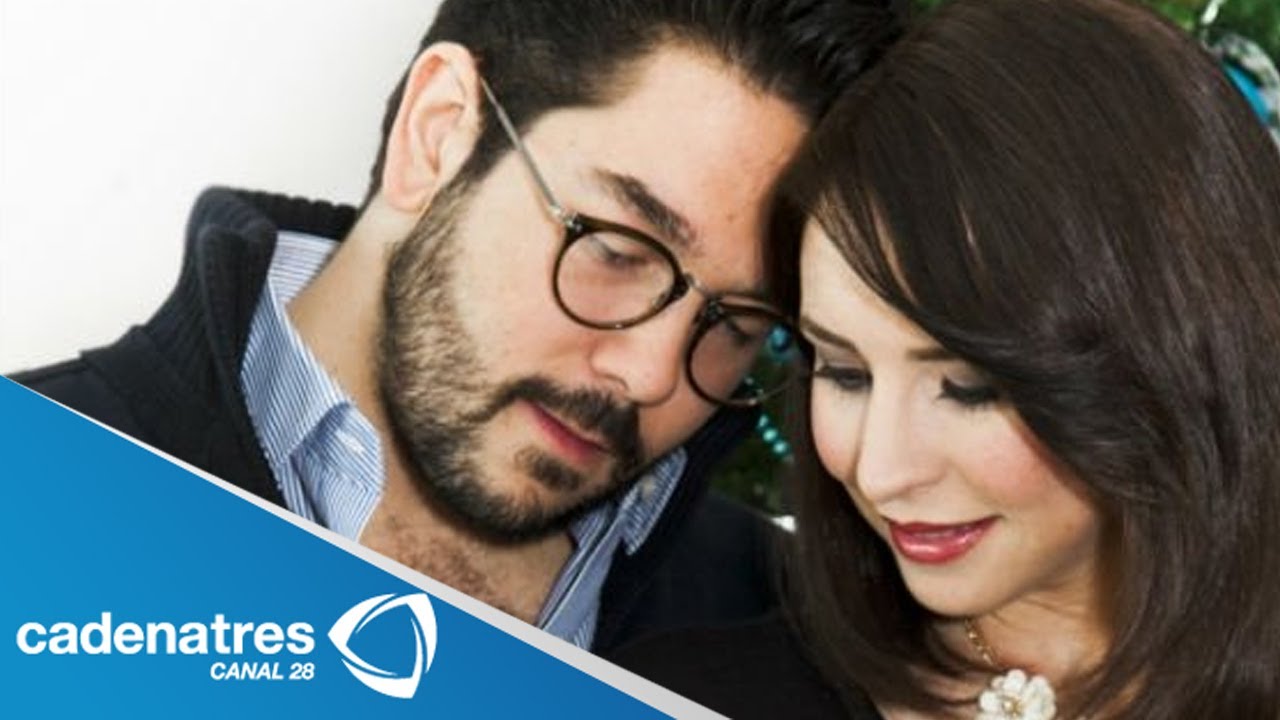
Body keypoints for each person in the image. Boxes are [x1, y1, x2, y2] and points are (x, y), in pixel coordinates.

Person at [6, 0, 902, 654]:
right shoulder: (29, 498)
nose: (652, 374)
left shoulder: (795, 638)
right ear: (436, 136)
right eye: (618, 250)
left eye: (737, 325)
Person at [613, 0, 1280, 716]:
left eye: (968, 386)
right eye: (845, 373)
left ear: (1177, 353)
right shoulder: (670, 700)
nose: (881, 471)